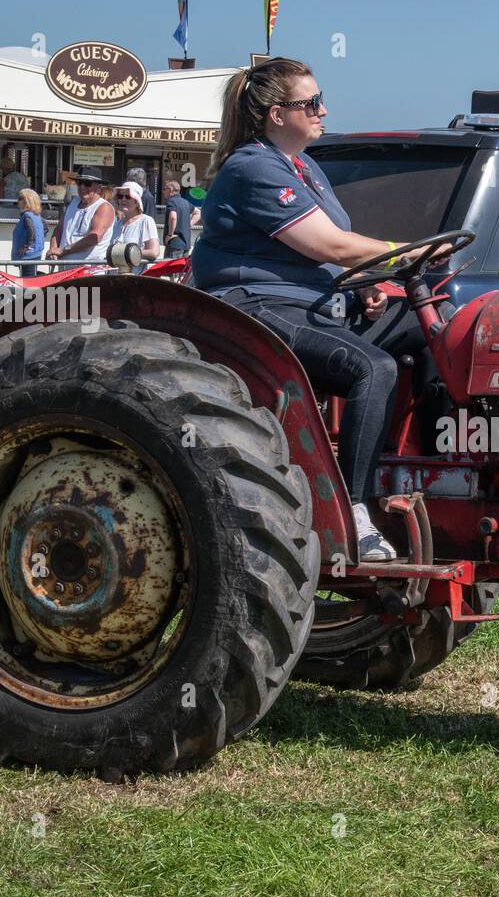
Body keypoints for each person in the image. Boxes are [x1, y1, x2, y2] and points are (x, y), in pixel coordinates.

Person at [192, 57, 454, 561]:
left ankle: (435, 476)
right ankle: (353, 514)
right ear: (275, 114)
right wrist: (407, 253)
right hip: (255, 306)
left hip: (312, 301)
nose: (323, 110)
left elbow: (327, 252)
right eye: (310, 103)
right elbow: (331, 245)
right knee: (371, 368)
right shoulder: (252, 168)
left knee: (435, 335)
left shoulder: (304, 167)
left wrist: (362, 286)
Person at [47, 167, 115, 263]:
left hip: (89, 269)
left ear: (99, 188)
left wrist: (63, 250)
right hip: (65, 265)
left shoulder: (103, 207)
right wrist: (53, 250)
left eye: (87, 184)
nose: (82, 187)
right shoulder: (73, 202)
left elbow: (94, 238)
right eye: (79, 183)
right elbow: (59, 228)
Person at [110, 180, 161, 269]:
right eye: (120, 196)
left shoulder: (146, 221)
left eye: (128, 196)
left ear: (137, 201)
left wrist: (128, 252)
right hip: (116, 276)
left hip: (136, 277)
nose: (123, 199)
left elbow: (154, 252)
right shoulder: (118, 223)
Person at [12, 188, 46, 277]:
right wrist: (38, 242)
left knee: (27, 283)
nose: (17, 201)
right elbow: (46, 228)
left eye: (20, 198)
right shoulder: (37, 215)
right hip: (35, 254)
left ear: (27, 200)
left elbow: (32, 231)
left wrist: (27, 246)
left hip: (28, 256)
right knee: (30, 281)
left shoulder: (27, 216)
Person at [161, 179, 193, 258]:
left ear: (171, 190)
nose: (163, 191)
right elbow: (197, 213)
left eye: (165, 189)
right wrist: (188, 224)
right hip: (186, 243)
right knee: (182, 270)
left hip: (174, 244)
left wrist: (170, 234)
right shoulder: (186, 202)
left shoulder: (171, 201)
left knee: (170, 269)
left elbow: (173, 216)